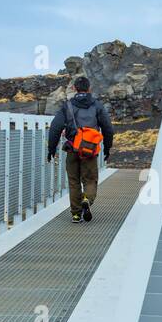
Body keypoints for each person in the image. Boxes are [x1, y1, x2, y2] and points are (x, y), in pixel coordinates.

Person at [47, 75, 114, 223]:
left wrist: (51, 149)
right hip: (90, 151)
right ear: (89, 88)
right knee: (90, 179)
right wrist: (108, 148)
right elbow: (108, 128)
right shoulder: (97, 106)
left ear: (74, 88)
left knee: (73, 181)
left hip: (72, 149)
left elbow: (55, 128)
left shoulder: (67, 106)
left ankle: (76, 214)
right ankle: (87, 199)